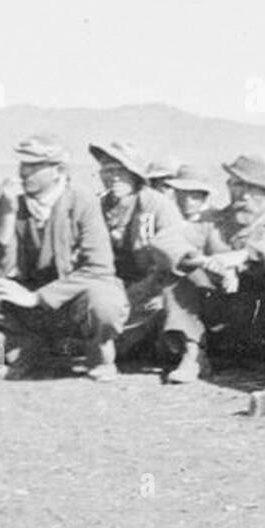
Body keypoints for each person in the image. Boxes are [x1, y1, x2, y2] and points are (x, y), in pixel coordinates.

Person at [0, 134, 129, 380]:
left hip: (71, 298)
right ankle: (19, 352)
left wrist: (37, 298)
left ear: (58, 170)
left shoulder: (82, 201)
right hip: (28, 299)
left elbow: (99, 269)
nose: (24, 173)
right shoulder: (16, 202)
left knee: (106, 299)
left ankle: (99, 358)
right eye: (23, 165)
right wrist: (7, 215)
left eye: (34, 167)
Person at [160, 154, 265, 379]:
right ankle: (193, 356)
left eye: (247, 186)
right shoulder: (214, 220)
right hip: (225, 320)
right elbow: (166, 241)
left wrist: (245, 256)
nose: (240, 193)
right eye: (234, 184)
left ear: (264, 190)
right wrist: (205, 262)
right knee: (177, 276)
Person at [89, 141, 187, 374]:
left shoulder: (159, 207)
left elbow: (175, 256)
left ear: (135, 174)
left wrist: (151, 291)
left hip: (153, 291)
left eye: (119, 171)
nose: (113, 177)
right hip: (113, 288)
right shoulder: (98, 206)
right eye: (107, 170)